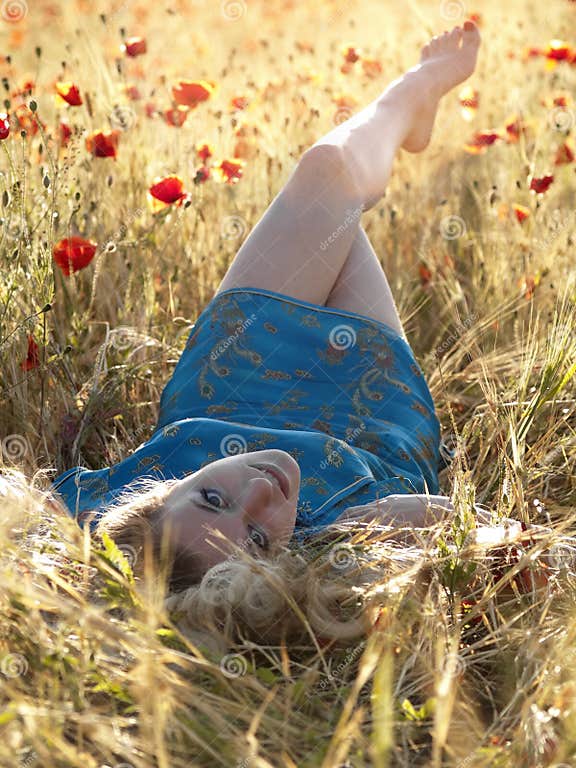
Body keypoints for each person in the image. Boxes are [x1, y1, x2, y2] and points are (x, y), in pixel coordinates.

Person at [51, 20, 520, 609]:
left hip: (231, 376)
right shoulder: (344, 551)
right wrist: (441, 518)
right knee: (334, 194)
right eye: (256, 537)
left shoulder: (99, 516)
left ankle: (410, 95)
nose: (260, 491)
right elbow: (529, 553)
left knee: (328, 174)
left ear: (156, 499)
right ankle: (413, 97)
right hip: (369, 414)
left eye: (212, 501)